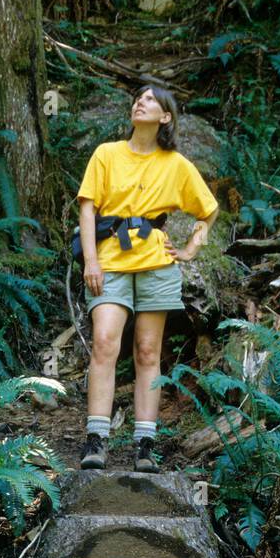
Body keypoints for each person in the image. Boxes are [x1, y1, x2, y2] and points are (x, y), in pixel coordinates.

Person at [76, 84, 219, 472]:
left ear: (166, 117)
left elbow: (208, 211)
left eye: (152, 99)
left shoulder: (175, 164)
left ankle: (143, 444)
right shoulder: (107, 154)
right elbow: (87, 209)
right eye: (139, 97)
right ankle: (96, 439)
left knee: (147, 352)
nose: (142, 101)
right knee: (105, 342)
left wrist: (190, 249)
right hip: (110, 260)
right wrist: (91, 260)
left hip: (156, 262)